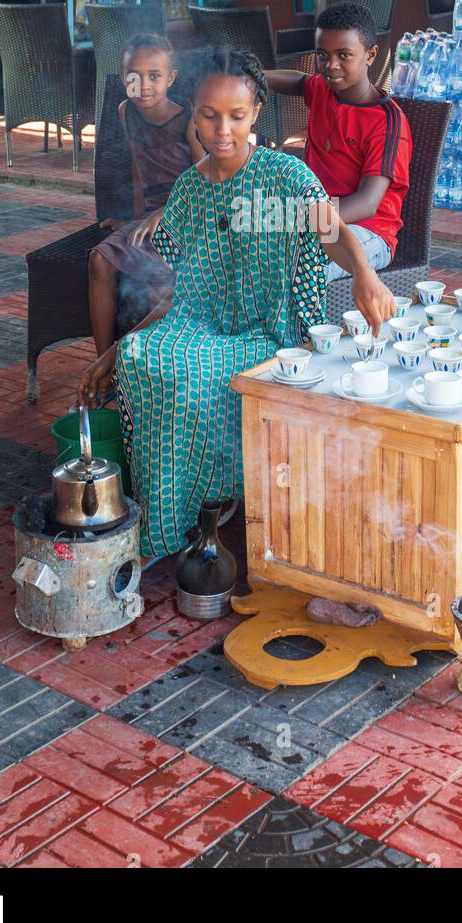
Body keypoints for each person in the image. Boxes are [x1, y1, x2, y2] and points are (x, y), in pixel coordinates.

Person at [77, 48, 395, 560]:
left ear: (256, 115)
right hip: (199, 322)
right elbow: (180, 296)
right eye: (209, 115)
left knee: (187, 370)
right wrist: (111, 353)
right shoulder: (188, 192)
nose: (222, 129)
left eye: (237, 116)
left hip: (269, 333)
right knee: (142, 359)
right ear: (195, 113)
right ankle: (169, 520)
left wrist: (363, 274)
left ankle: (211, 502)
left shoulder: (283, 177)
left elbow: (330, 229)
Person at [265, 2, 412, 283]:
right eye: (322, 55)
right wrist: (256, 78)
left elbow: (367, 203)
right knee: (237, 235)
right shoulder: (324, 89)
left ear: (370, 55)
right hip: (311, 215)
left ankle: (300, 328)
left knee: (295, 264)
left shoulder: (388, 122)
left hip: (367, 231)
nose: (331, 66)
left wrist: (298, 220)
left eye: (344, 55)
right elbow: (299, 82)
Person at [88, 32, 204, 356]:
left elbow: (203, 183)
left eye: (154, 76)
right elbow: (139, 170)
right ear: (124, 78)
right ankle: (102, 364)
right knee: (99, 259)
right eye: (134, 76)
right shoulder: (127, 111)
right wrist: (135, 217)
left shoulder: (188, 121)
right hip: (148, 218)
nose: (144, 85)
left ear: (171, 78)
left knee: (161, 285)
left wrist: (163, 213)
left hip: (184, 217)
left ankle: (143, 365)